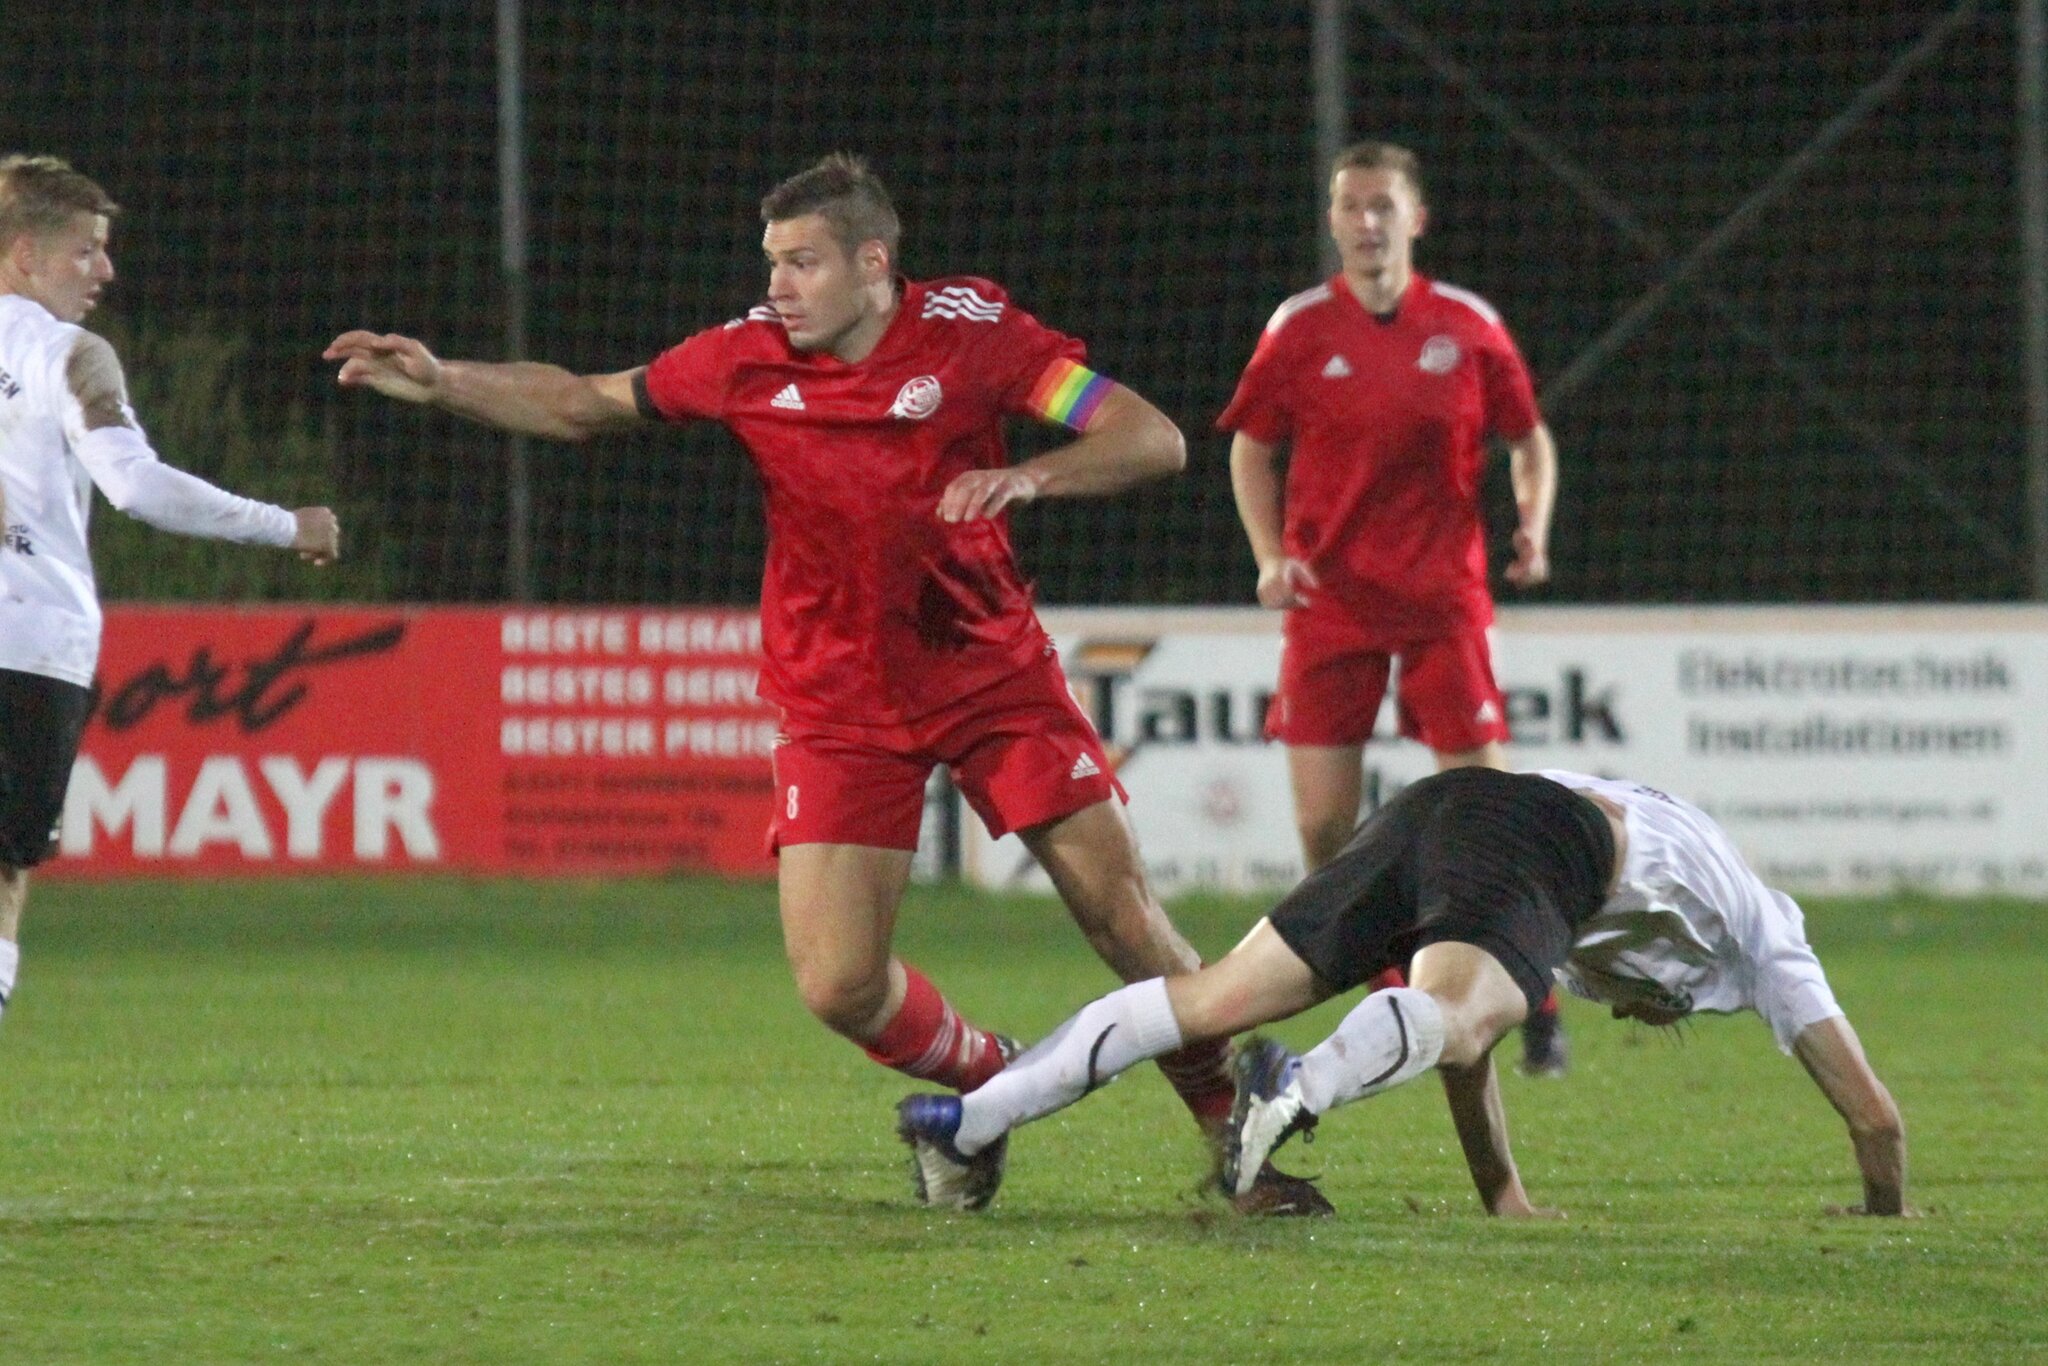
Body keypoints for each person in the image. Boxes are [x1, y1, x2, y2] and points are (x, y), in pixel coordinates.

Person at [324, 153, 1325, 1215]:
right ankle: (989, 1084)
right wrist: (443, 380)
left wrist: (1031, 474)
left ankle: (1234, 1139)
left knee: (1120, 918)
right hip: (839, 703)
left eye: (801, 262)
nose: (778, 286)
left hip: (990, 674)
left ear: (873, 262)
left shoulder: (976, 332)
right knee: (839, 982)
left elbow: (1151, 437)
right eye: (772, 263)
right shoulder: (743, 359)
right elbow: (580, 403)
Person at [897, 766, 1909, 1218]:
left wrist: (1500, 1194)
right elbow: (1875, 1121)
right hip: (1540, 836)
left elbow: (1457, 1049)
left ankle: (967, 1122)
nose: (1637, 1013)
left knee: (1213, 995)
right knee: (1464, 1008)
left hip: (1443, 801)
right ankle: (1296, 1087)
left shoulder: (1661, 868)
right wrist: (1882, 1214)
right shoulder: (1769, 937)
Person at [1220, 140, 1571, 1075]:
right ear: (1333, 221)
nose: (1366, 223)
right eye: (1349, 207)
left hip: (1442, 603)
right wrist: (1267, 557)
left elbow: (1529, 442)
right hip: (1331, 609)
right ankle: (1381, 1001)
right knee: (1327, 834)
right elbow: (1250, 449)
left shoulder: (1465, 325)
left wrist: (1531, 525)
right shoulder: (1298, 329)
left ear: (1415, 219)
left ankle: (1533, 994)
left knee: (1488, 815)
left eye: (1383, 206)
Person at [0, 154, 340, 1028]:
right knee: (3, 877)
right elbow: (139, 489)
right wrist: (285, 525)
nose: (104, 271)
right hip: (27, 644)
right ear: (25, 255)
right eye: (85, 252)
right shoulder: (66, 356)